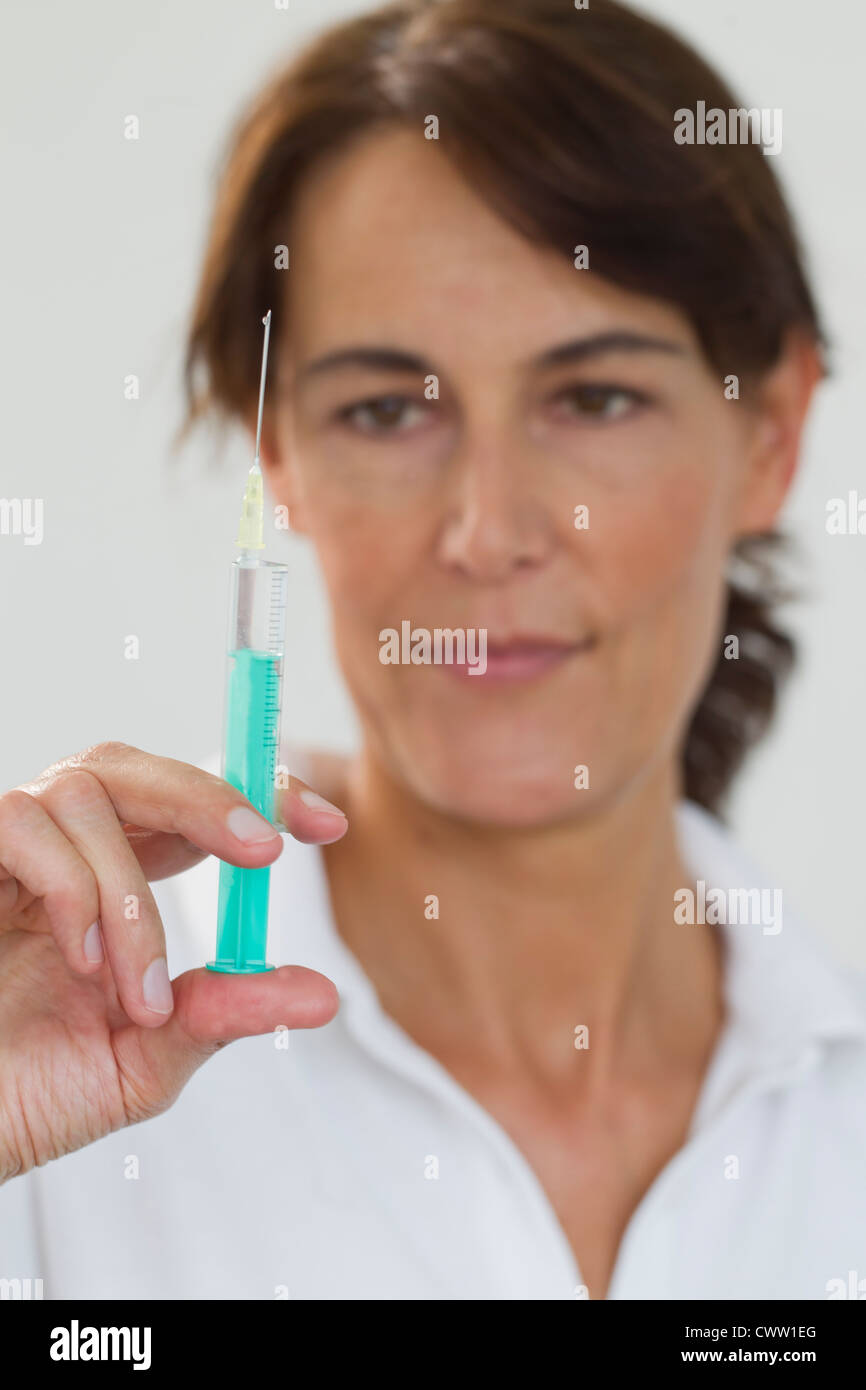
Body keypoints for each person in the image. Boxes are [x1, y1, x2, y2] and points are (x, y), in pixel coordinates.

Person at [1, 0, 863, 1302]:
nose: (486, 530)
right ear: (275, 453)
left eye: (594, 397)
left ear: (771, 433)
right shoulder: (53, 1073)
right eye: (386, 409)